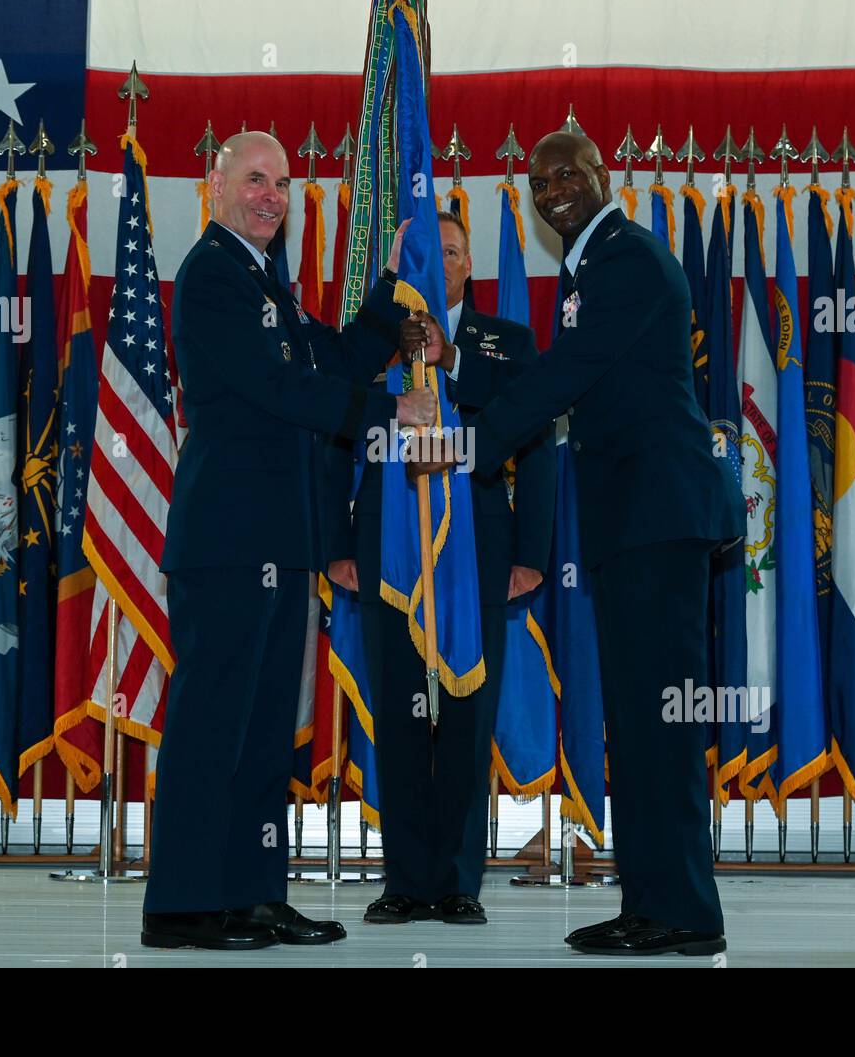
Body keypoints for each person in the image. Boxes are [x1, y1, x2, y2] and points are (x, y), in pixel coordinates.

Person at [410, 132, 744, 956]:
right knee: (637, 720)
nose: (553, 189)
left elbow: (569, 374)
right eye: (540, 181)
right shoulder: (592, 266)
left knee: (658, 723)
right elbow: (569, 380)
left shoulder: (626, 259)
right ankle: (655, 901)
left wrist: (471, 443)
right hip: (636, 521)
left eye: (568, 174)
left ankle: (684, 911)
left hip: (659, 518)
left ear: (603, 177)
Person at [143, 132, 436, 951]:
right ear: (216, 186)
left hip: (278, 536)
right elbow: (280, 387)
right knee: (215, 724)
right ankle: (184, 904)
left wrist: (391, 295)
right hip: (229, 539)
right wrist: (390, 412)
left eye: (282, 184)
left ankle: (251, 893)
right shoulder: (210, 276)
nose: (271, 195)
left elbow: (330, 359)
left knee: (267, 729)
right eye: (255, 179)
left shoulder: (264, 278)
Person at [326, 212, 555, 925]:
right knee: (398, 713)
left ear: (465, 267)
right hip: (386, 555)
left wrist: (531, 553)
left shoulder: (502, 342)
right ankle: (404, 879)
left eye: (451, 252)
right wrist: (336, 542)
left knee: (464, 716)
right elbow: (331, 436)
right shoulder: (370, 340)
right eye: (426, 254)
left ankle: (457, 880)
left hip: (479, 553)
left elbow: (534, 434)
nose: (439, 264)